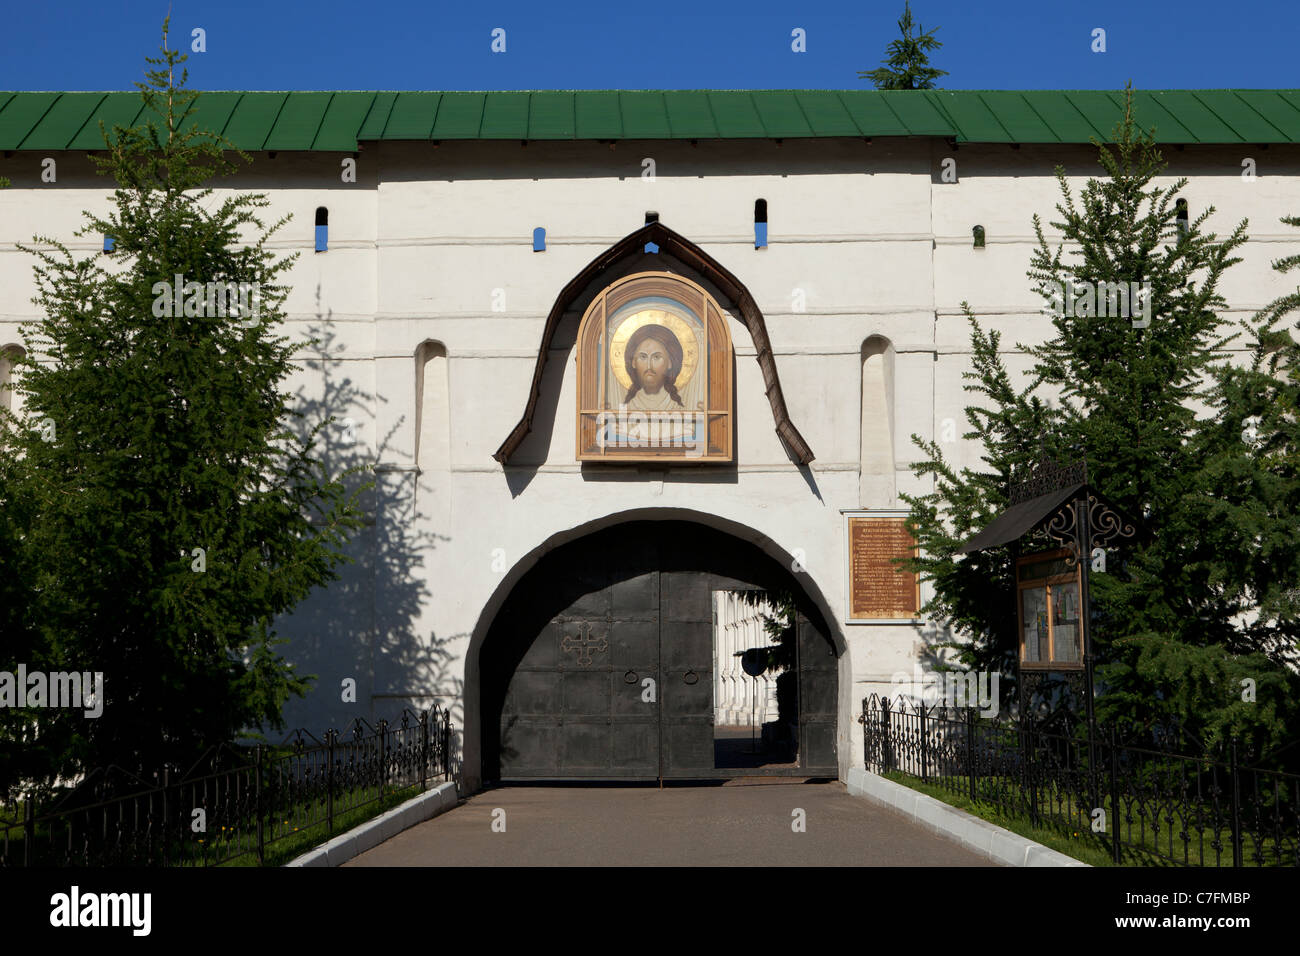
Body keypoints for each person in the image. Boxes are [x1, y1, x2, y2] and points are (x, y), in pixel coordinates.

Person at [623, 323, 686, 411]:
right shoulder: (627, 407)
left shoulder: (678, 408)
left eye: (656, 357)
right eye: (643, 357)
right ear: (633, 362)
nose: (649, 366)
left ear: (670, 363)